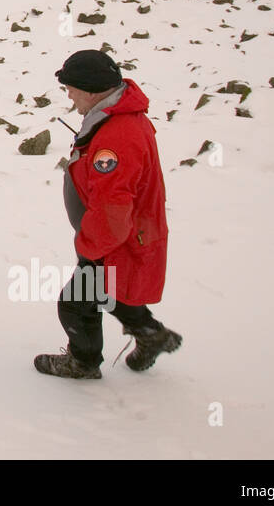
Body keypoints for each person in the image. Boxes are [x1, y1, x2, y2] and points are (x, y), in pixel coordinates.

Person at [34, 49, 181, 379]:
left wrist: (89, 246)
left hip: (112, 238)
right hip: (116, 235)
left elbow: (113, 210)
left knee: (75, 303)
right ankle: (151, 334)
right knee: (110, 290)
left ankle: (83, 362)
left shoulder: (117, 136)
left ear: (90, 89)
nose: (69, 97)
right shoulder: (115, 116)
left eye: (71, 89)